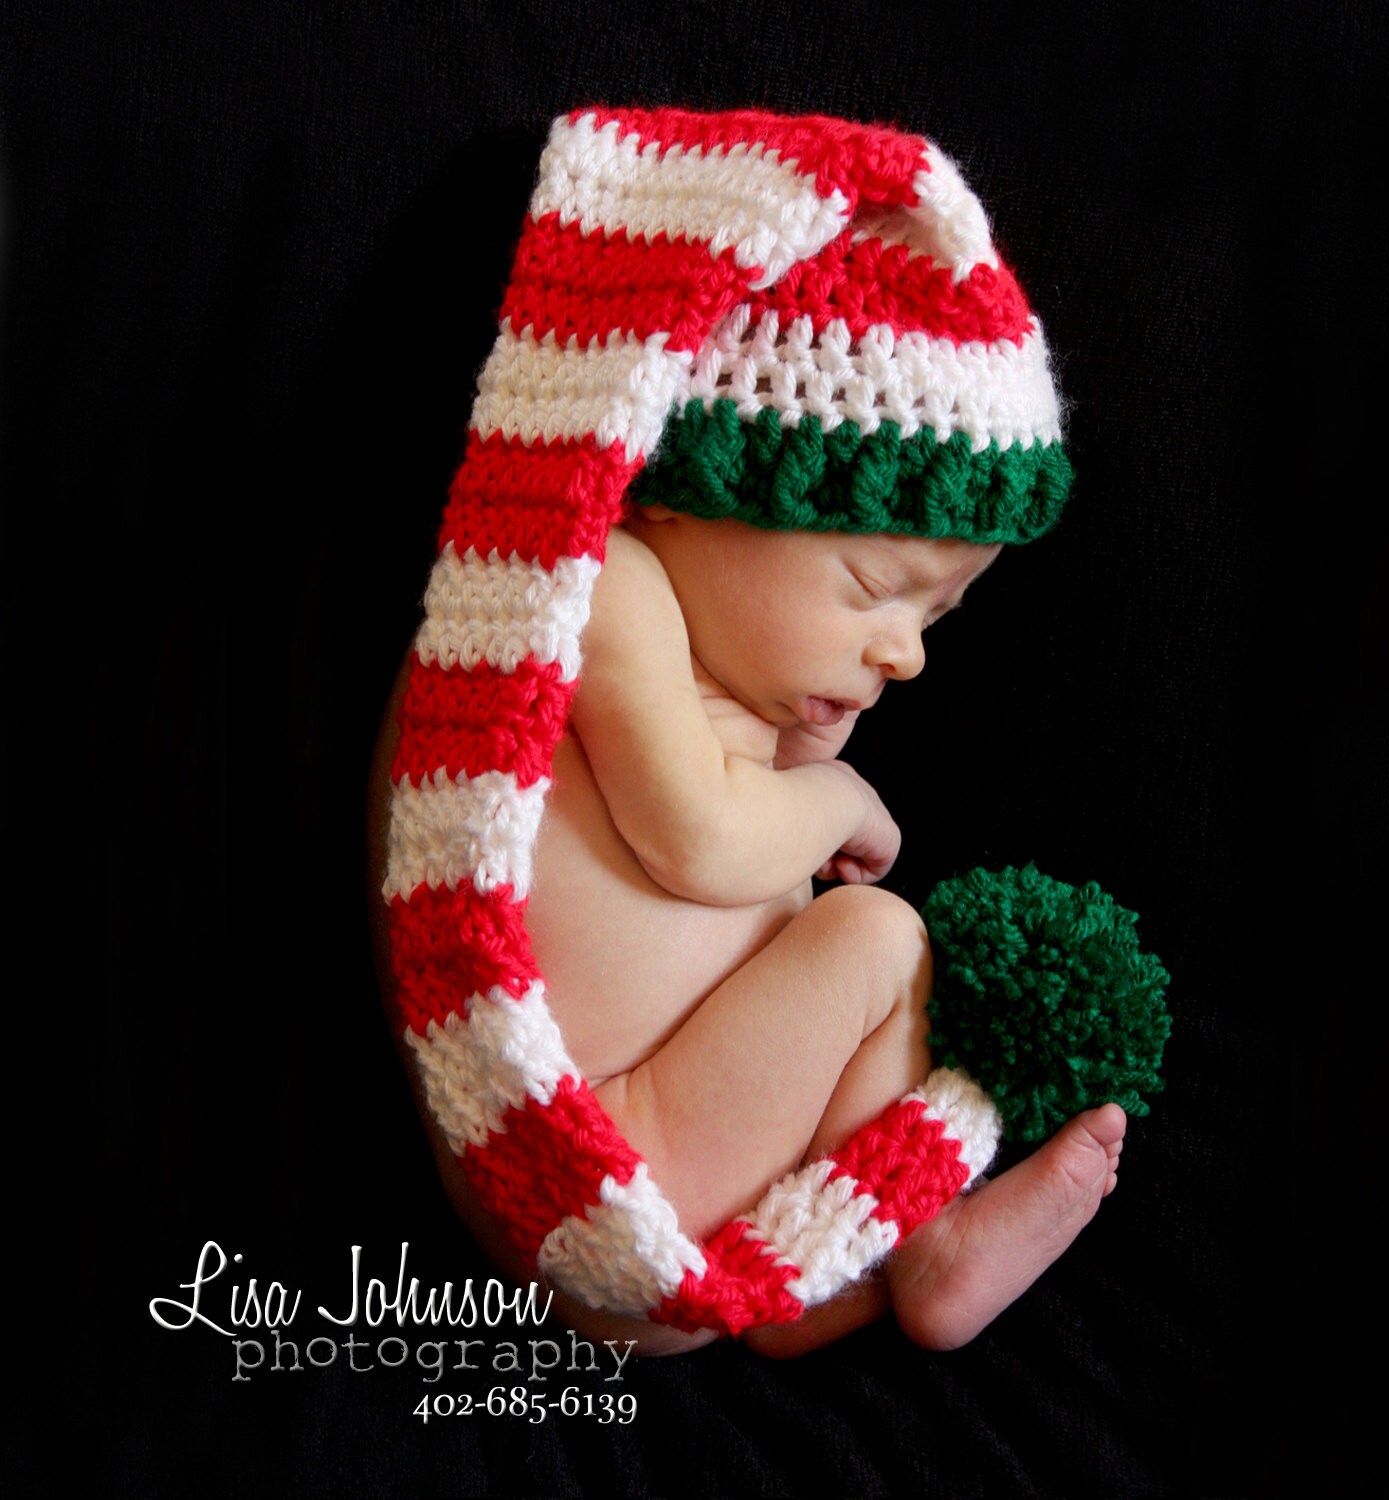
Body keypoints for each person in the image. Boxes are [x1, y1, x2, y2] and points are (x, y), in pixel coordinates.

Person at [369, 105, 1128, 1356]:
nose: (910, 652)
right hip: (605, 1166)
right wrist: (837, 801)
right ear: (678, 495)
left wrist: (796, 745)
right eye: (879, 589)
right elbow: (701, 844)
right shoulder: (592, 590)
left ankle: (854, 1281)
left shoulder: (676, 650)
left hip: (688, 1175)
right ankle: (916, 1240)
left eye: (940, 612)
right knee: (880, 935)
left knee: (865, 963)